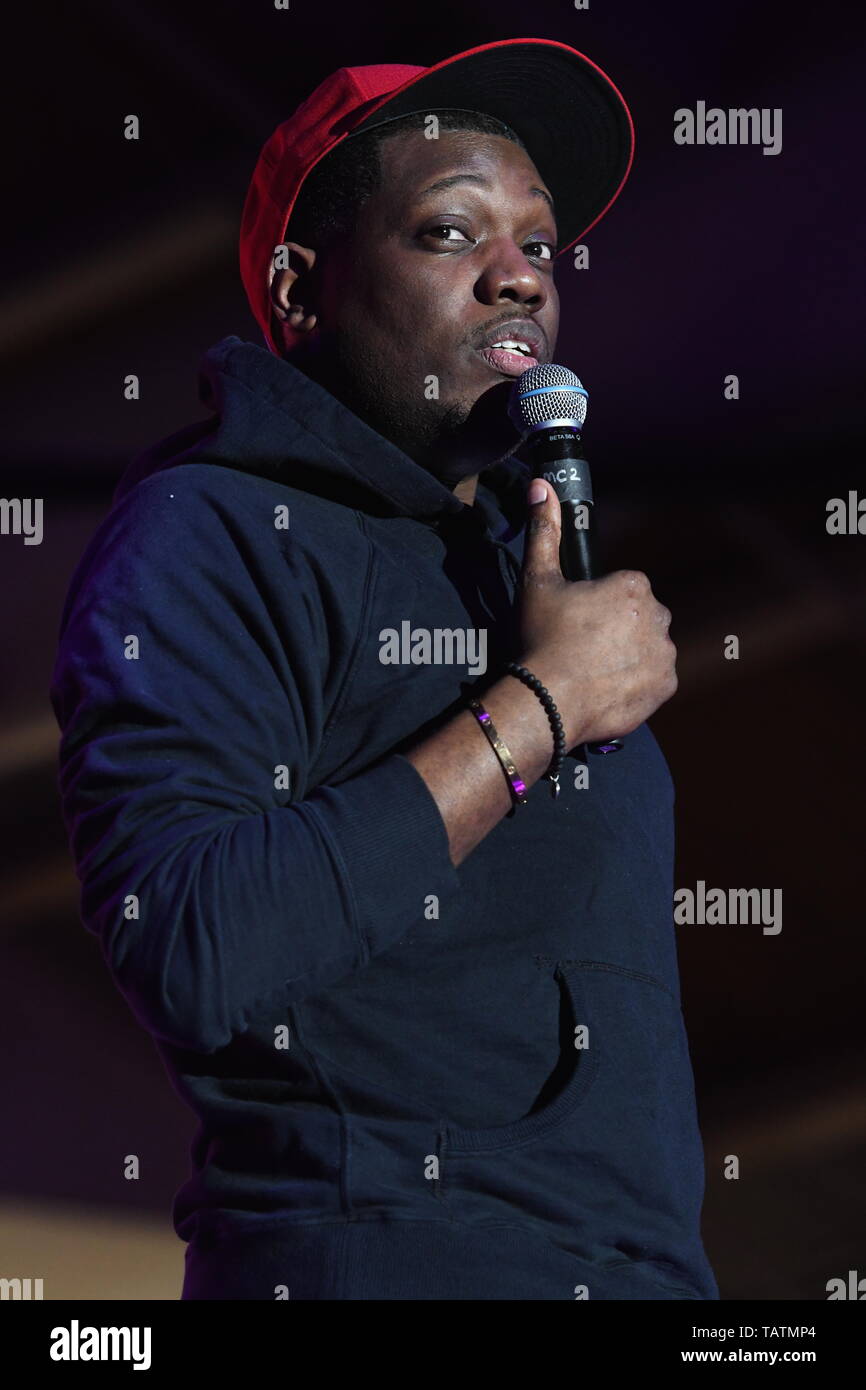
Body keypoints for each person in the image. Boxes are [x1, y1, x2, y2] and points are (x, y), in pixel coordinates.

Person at [50, 38, 719, 1301]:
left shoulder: (515, 565)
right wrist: (538, 710)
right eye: (449, 233)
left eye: (537, 243)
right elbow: (190, 936)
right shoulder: (212, 528)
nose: (517, 276)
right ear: (303, 293)